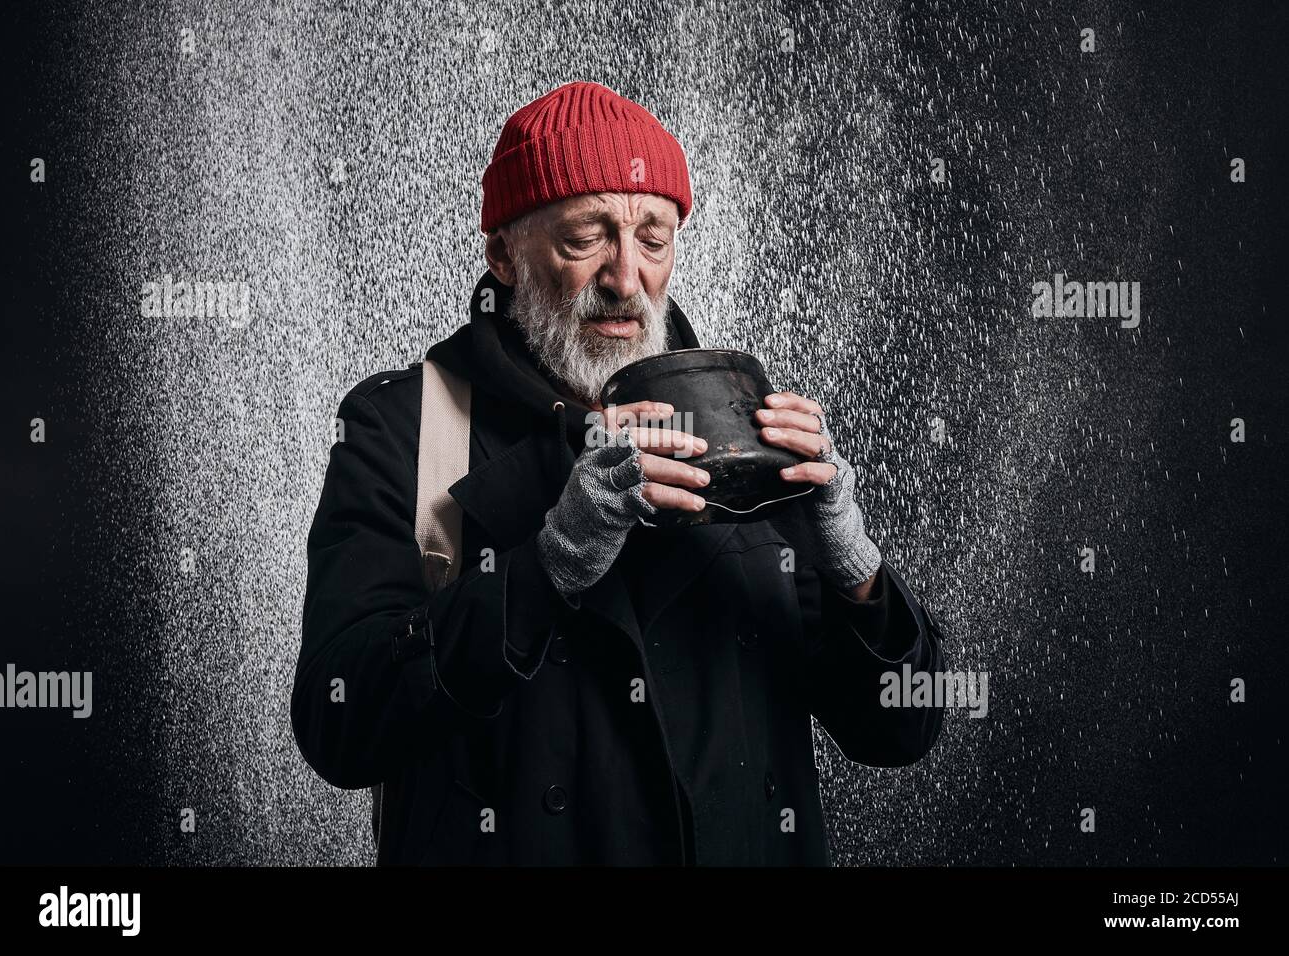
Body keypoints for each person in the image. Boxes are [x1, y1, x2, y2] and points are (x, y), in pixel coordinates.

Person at [291, 81, 947, 865]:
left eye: (653, 238)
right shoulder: (403, 426)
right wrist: (548, 566)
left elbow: (900, 731)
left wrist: (854, 572)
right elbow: (340, 724)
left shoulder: (748, 421)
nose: (626, 278)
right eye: (586, 238)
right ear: (503, 251)